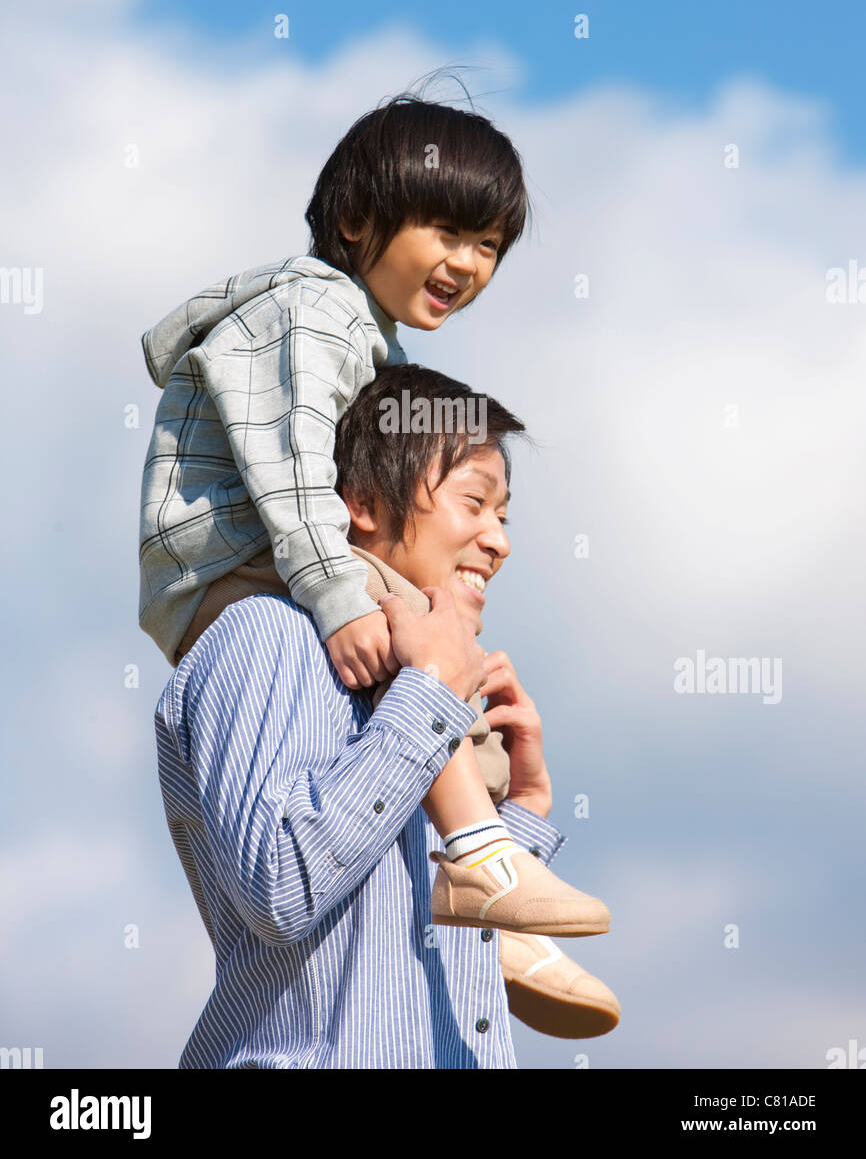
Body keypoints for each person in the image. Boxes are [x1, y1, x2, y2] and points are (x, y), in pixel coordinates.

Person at [140, 93, 608, 935]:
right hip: (231, 563)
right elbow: (285, 465)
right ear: (358, 219)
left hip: (280, 557)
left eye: (489, 246)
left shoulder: (373, 342)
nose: (467, 263)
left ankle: (498, 890)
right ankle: (479, 858)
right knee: (423, 633)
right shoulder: (311, 311)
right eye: (447, 232)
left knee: (438, 643)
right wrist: (337, 595)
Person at [155, 364, 620, 1067]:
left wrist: (519, 812)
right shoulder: (265, 637)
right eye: (475, 503)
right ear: (365, 501)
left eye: (504, 515)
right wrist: (432, 693)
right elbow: (279, 887)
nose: (500, 541)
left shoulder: (423, 707)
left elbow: (409, 946)